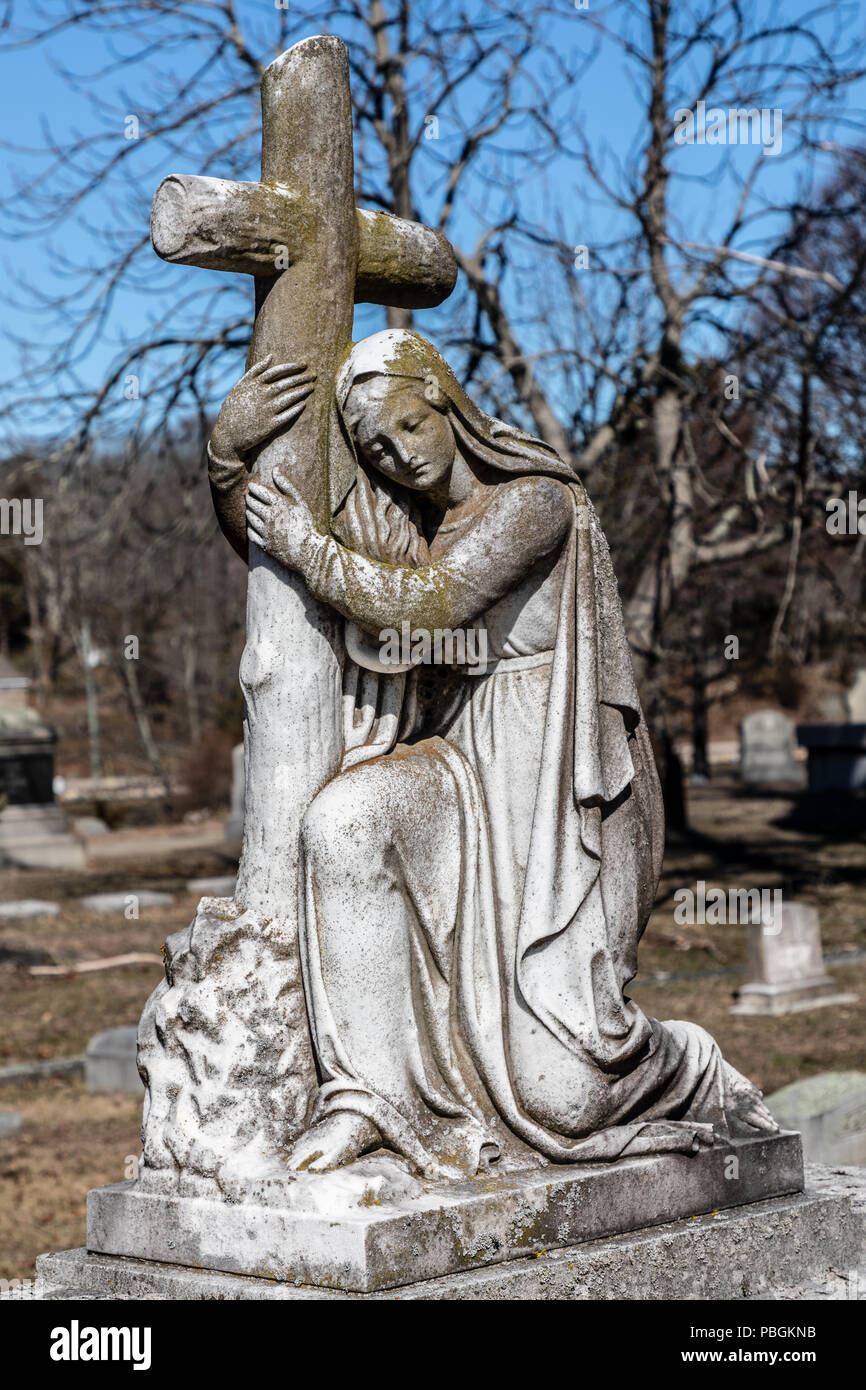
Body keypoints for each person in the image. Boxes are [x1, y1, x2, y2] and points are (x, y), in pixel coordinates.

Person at [210, 328, 776, 1178]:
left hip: (548, 775)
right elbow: (277, 558)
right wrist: (227, 457)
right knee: (345, 822)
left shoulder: (534, 499)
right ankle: (369, 1097)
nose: (397, 458)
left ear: (440, 396)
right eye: (374, 450)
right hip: (460, 760)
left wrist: (307, 544)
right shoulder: (410, 523)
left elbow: (430, 606)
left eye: (405, 427)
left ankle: (687, 1067)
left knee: (568, 1097)